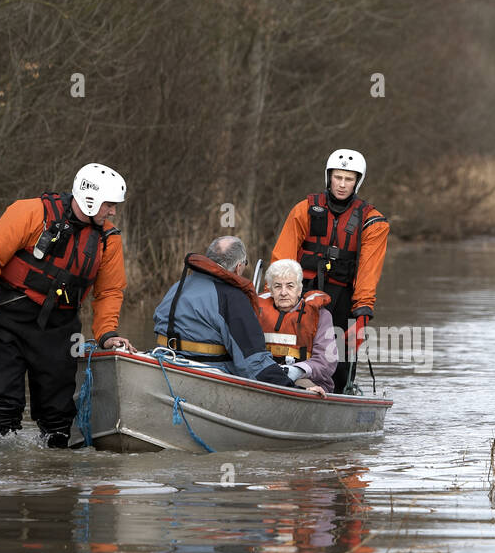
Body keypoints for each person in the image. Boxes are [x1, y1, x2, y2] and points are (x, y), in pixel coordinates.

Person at [0, 163, 136, 447]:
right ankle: (2, 471)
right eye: (109, 204)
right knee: (4, 405)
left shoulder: (108, 239)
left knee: (57, 418)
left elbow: (109, 292)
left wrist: (107, 334)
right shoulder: (30, 213)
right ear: (91, 199)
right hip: (10, 317)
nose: (113, 212)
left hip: (60, 327)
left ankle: (54, 474)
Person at [272, 148, 389, 393]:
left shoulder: (372, 221)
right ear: (328, 177)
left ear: (358, 182)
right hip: (302, 291)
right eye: (338, 177)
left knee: (340, 355)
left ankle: (339, 392)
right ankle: (285, 383)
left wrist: (363, 311)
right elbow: (282, 258)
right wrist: (276, 293)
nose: (342, 185)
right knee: (293, 346)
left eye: (349, 179)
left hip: (342, 296)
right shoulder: (303, 210)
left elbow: (368, 270)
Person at [154, 236, 317, 391]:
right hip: (205, 373)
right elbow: (253, 362)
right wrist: (289, 386)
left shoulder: (178, 286)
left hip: (164, 362)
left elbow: (158, 321)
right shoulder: (231, 297)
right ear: (239, 266)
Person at [255, 258, 337, 395]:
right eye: (277, 286)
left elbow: (326, 363)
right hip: (265, 375)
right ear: (270, 290)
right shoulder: (257, 311)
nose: (283, 292)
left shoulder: (321, 316)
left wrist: (297, 370)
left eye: (290, 286)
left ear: (299, 289)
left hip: (306, 379)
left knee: (304, 390)